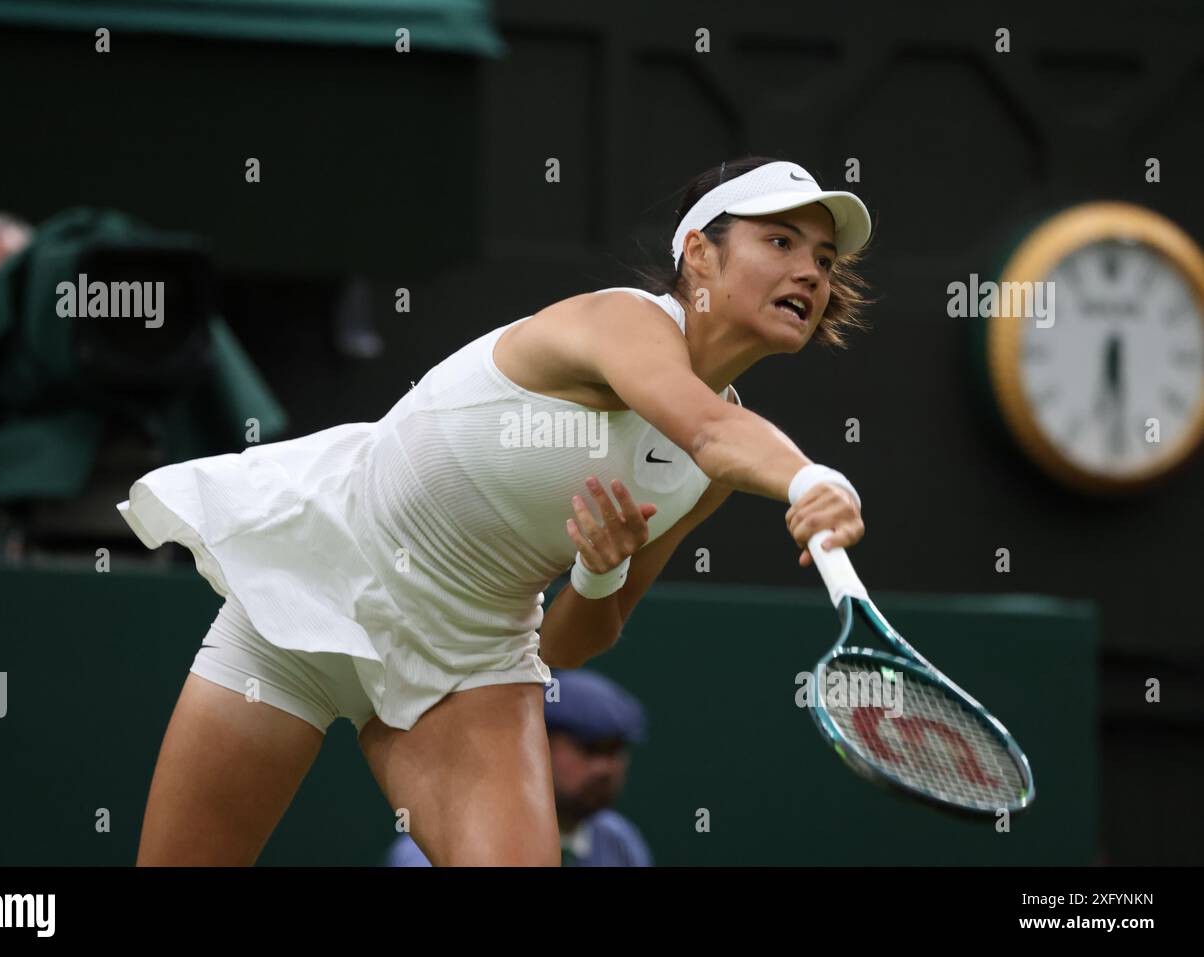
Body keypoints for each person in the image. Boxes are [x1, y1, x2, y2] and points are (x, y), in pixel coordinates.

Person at [118, 156, 873, 866]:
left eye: (825, 258)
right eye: (780, 240)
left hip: (468, 665)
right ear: (698, 254)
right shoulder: (622, 323)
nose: (810, 270)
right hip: (310, 585)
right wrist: (808, 481)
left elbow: (574, 641)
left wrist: (599, 572)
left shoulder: (702, 475)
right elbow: (713, 431)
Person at [386, 668, 651, 866]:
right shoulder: (434, 851)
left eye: (615, 751)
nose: (605, 768)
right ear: (537, 746)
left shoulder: (618, 842)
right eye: (589, 748)